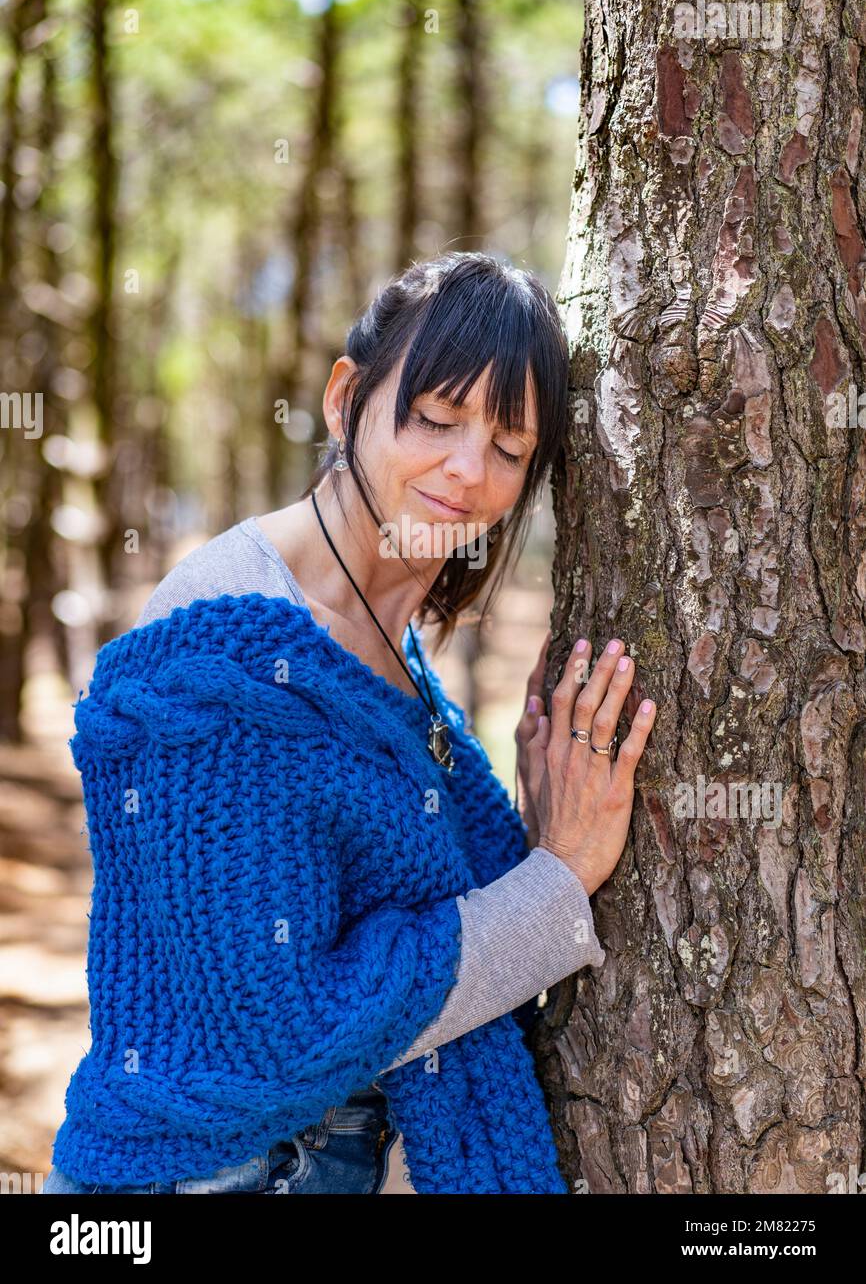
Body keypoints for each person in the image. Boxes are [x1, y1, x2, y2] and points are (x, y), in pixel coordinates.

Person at [42, 250, 656, 1195]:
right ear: (344, 399)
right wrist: (558, 875)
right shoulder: (228, 642)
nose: (467, 472)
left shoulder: (388, 645)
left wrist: (530, 836)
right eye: (439, 419)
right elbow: (282, 1026)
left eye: (508, 447)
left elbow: (387, 908)